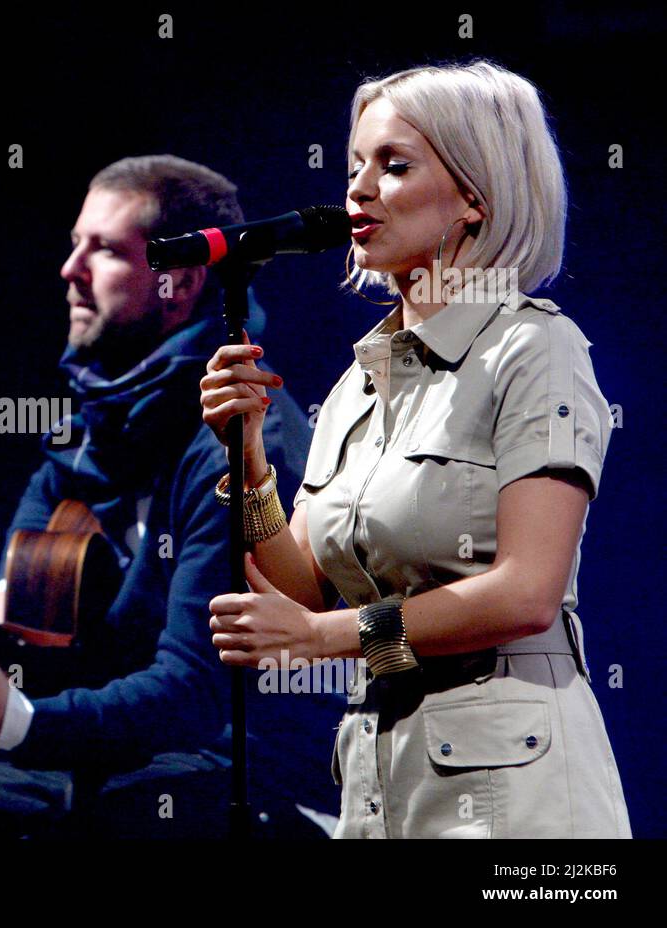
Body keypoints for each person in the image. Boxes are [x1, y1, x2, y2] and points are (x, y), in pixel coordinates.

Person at [0, 154, 330, 838]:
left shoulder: (242, 443)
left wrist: (18, 721)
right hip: (114, 761)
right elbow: (33, 626)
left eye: (107, 251)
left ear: (179, 282)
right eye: (74, 244)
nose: (70, 270)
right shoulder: (81, 437)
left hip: (233, 773)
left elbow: (193, 693)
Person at [201, 60, 631, 837]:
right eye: (354, 167)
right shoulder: (356, 387)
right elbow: (300, 590)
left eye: (394, 166)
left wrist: (328, 639)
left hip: (514, 790)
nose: (358, 191)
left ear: (476, 195)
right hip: (378, 777)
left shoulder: (535, 348)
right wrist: (250, 459)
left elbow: (527, 593)